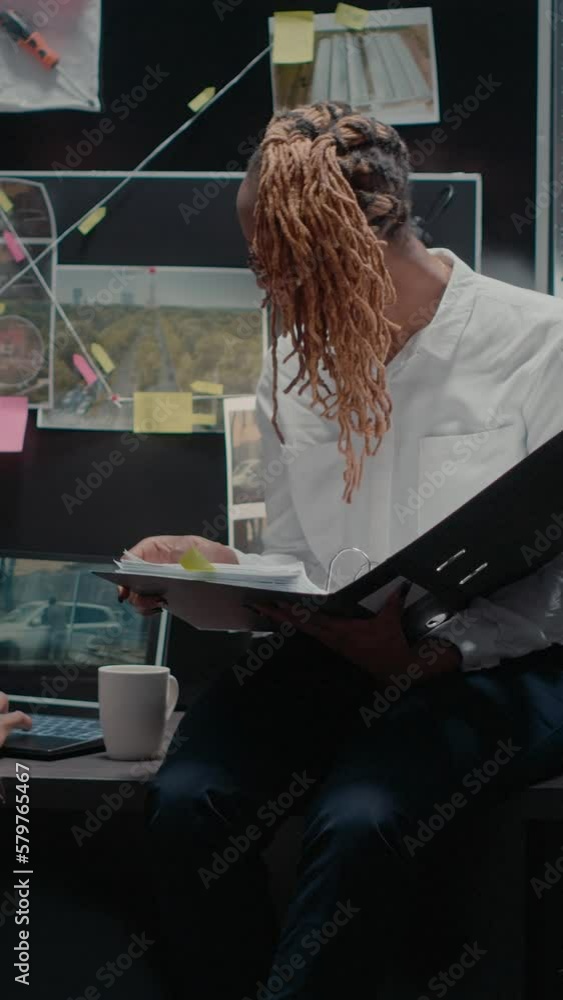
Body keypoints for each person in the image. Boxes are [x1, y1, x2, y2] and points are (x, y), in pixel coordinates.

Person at [122, 103, 563, 998]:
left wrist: (437, 651)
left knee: (363, 821)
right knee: (185, 803)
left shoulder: (539, 342)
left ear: (356, 248)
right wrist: (201, 565)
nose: (270, 297)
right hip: (340, 648)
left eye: (280, 269)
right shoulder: (292, 361)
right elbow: (301, 556)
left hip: (504, 661)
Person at [44, 596, 67, 663]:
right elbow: (64, 616)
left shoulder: (50, 609)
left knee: (53, 645)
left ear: (50, 602)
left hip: (56, 630)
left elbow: (50, 620)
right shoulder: (60, 608)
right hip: (63, 629)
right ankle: (62, 658)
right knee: (62, 645)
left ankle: (51, 658)